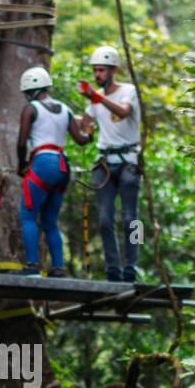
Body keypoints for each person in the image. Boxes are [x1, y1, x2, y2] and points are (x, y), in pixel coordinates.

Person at [16, 66, 91, 277]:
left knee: (27, 216)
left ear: (30, 89)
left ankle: (32, 266)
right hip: (63, 166)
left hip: (43, 163)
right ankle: (58, 268)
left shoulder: (31, 108)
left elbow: (22, 142)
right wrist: (91, 135)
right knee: (50, 220)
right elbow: (81, 140)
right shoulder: (65, 109)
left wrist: (21, 165)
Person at [78, 45, 141, 283]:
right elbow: (85, 124)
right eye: (95, 71)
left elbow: (123, 112)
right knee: (105, 220)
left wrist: (96, 97)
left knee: (131, 219)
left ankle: (131, 267)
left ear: (114, 70)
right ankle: (113, 270)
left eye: (102, 70)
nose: (97, 75)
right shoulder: (95, 101)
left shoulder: (128, 91)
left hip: (128, 162)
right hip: (104, 163)